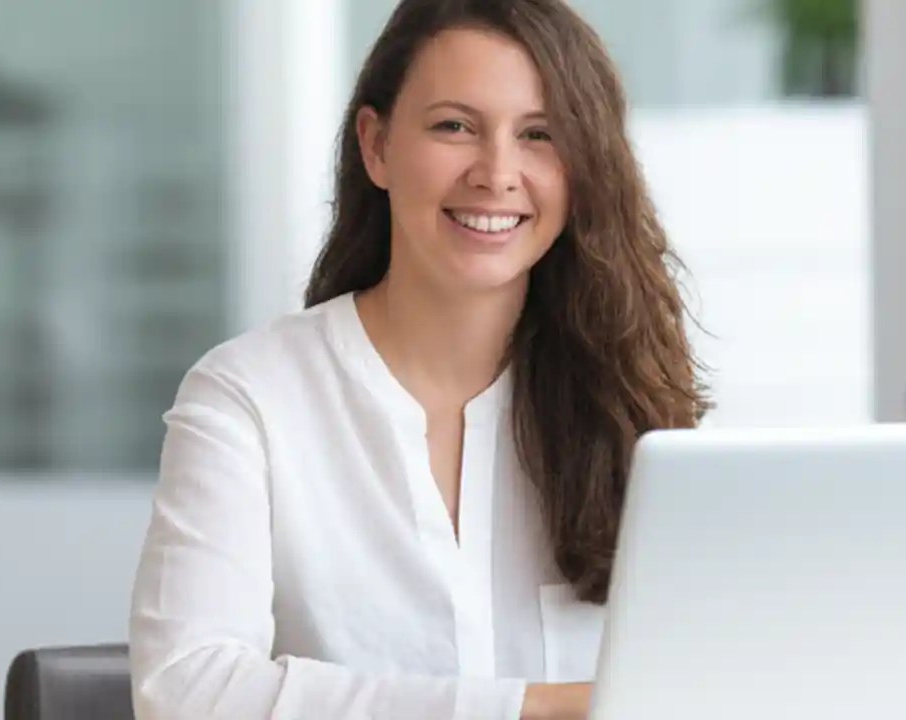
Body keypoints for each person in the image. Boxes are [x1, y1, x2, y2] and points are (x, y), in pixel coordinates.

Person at [128, 0, 709, 718]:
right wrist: (534, 707)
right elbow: (185, 690)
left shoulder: (631, 403)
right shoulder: (250, 398)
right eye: (455, 127)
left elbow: (711, 670)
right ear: (376, 146)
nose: (497, 173)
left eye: (539, 135)